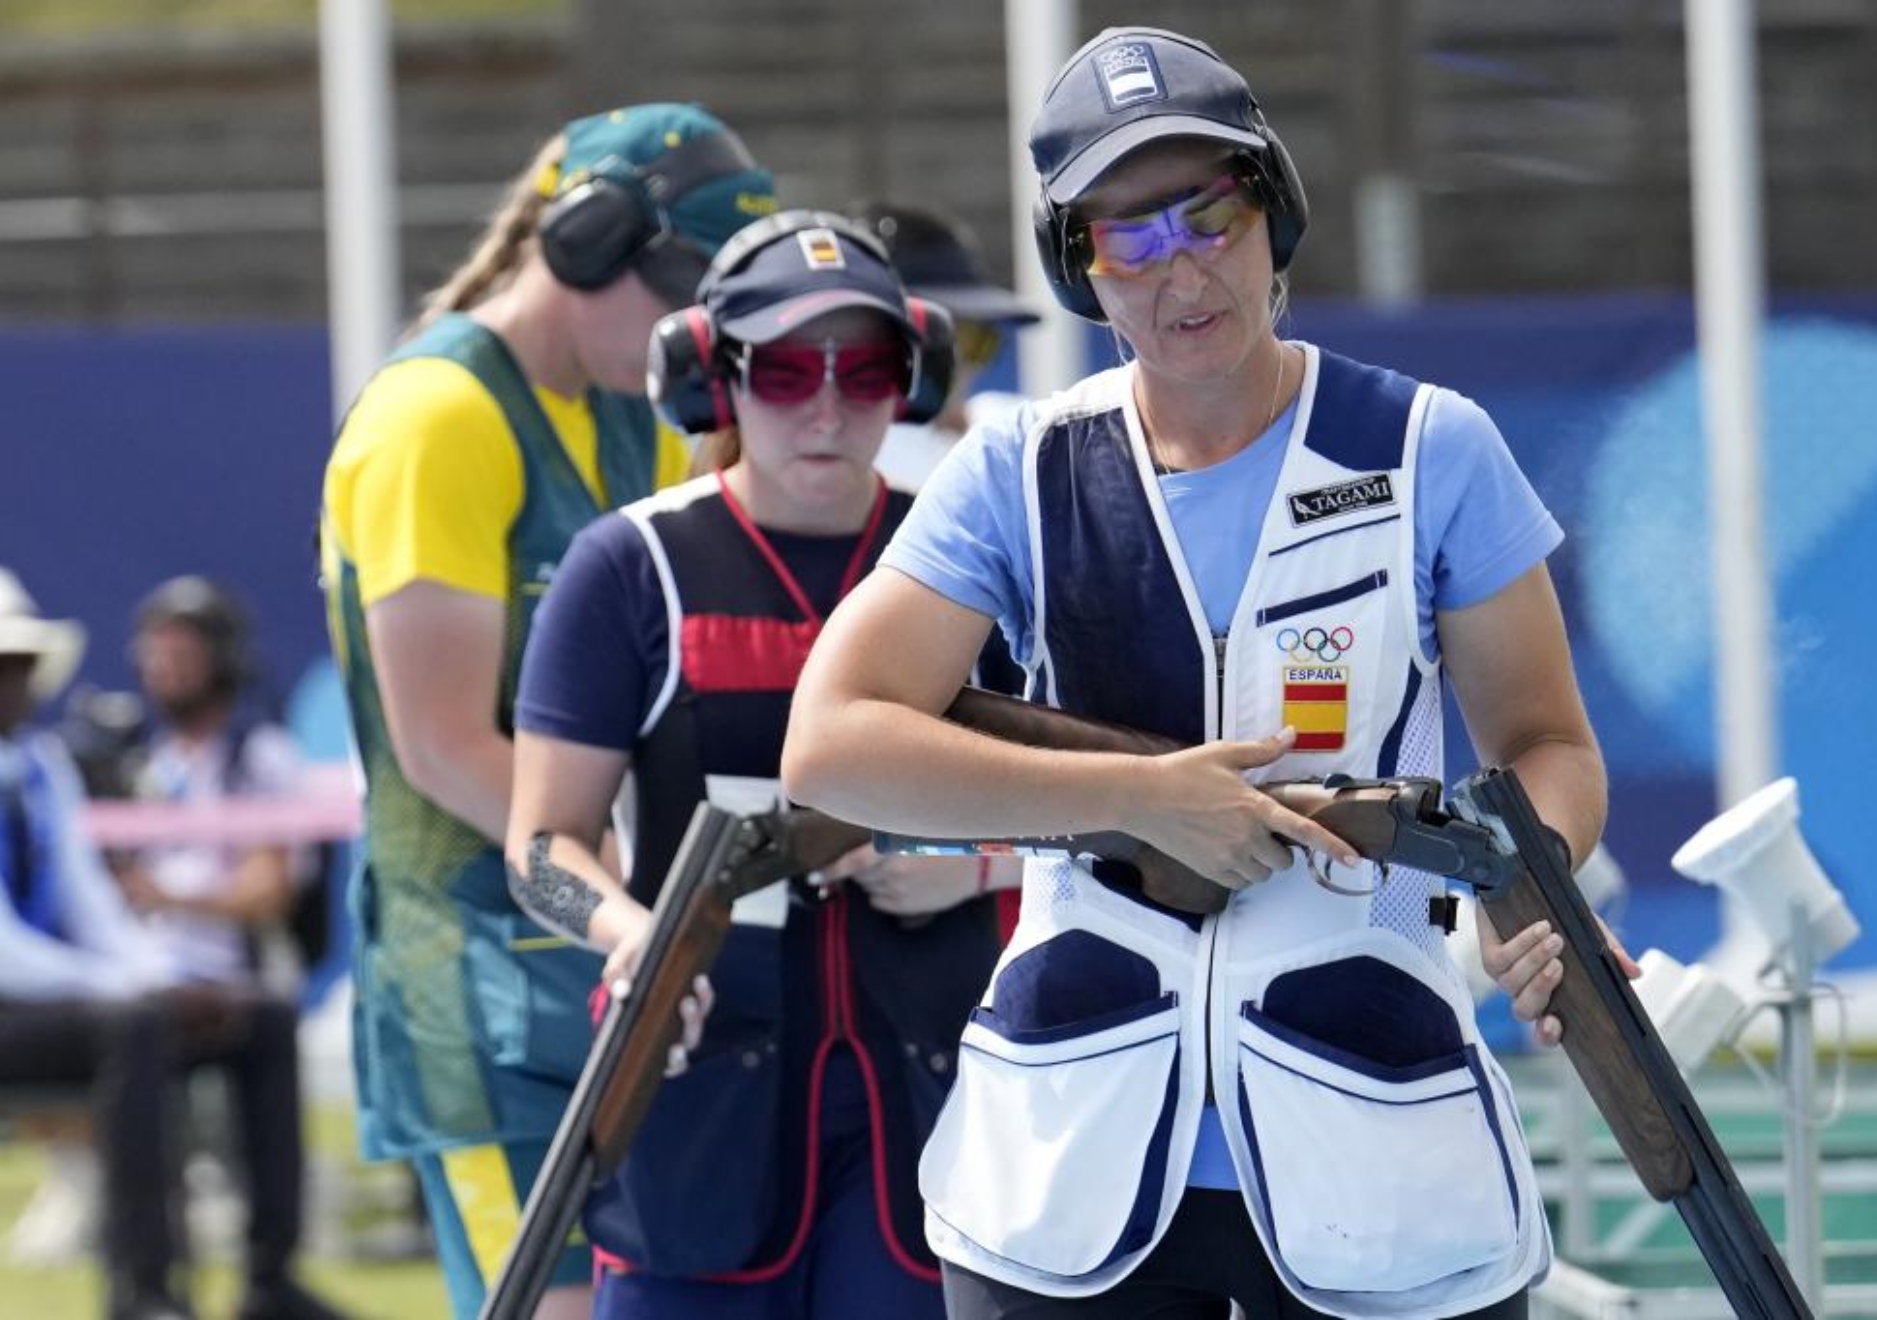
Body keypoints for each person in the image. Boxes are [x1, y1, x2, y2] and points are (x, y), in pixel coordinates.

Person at [784, 28, 1622, 1320]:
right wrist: (1137, 801)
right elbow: (831, 746)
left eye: (1209, 213)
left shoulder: (1430, 446)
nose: (1180, 268)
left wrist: (1531, 883)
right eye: (1128, 237)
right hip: (1067, 1158)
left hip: (1381, 1137)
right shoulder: (1019, 468)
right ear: (1082, 271)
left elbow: (1547, 746)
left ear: (1271, 212)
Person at [505, 209, 1007, 1320]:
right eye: (784, 369)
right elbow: (541, 847)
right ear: (711, 376)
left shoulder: (975, 560)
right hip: (692, 1107)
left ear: (911, 377)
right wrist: (637, 939)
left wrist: (980, 867)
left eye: (865, 367)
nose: (827, 406)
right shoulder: (629, 568)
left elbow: (1109, 813)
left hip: (935, 1106)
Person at [318, 103, 775, 1320]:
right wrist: (624, 901)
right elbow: (442, 748)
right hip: (473, 985)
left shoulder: (636, 404)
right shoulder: (438, 419)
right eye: (679, 288)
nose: (697, 331)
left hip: (606, 956)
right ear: (582, 243)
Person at [0, 568, 343, 1320]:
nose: (18, 683)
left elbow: (97, 912)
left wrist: (157, 976)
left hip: (65, 1002)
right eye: (5, 666)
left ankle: (268, 1281)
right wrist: (136, 990)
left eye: (22, 664)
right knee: (137, 1026)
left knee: (262, 1017)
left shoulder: (40, 766)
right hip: (29, 1008)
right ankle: (146, 1293)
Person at [115, 575, 320, 991]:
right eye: (156, 654)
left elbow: (270, 893)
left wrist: (166, 898)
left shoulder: (262, 755)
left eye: (182, 653)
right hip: (142, 976)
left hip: (238, 983)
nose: (165, 667)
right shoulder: (140, 764)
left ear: (222, 659)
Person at [849, 201, 1040, 493]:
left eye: (978, 340)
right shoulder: (854, 462)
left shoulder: (1017, 425)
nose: (962, 365)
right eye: (937, 336)